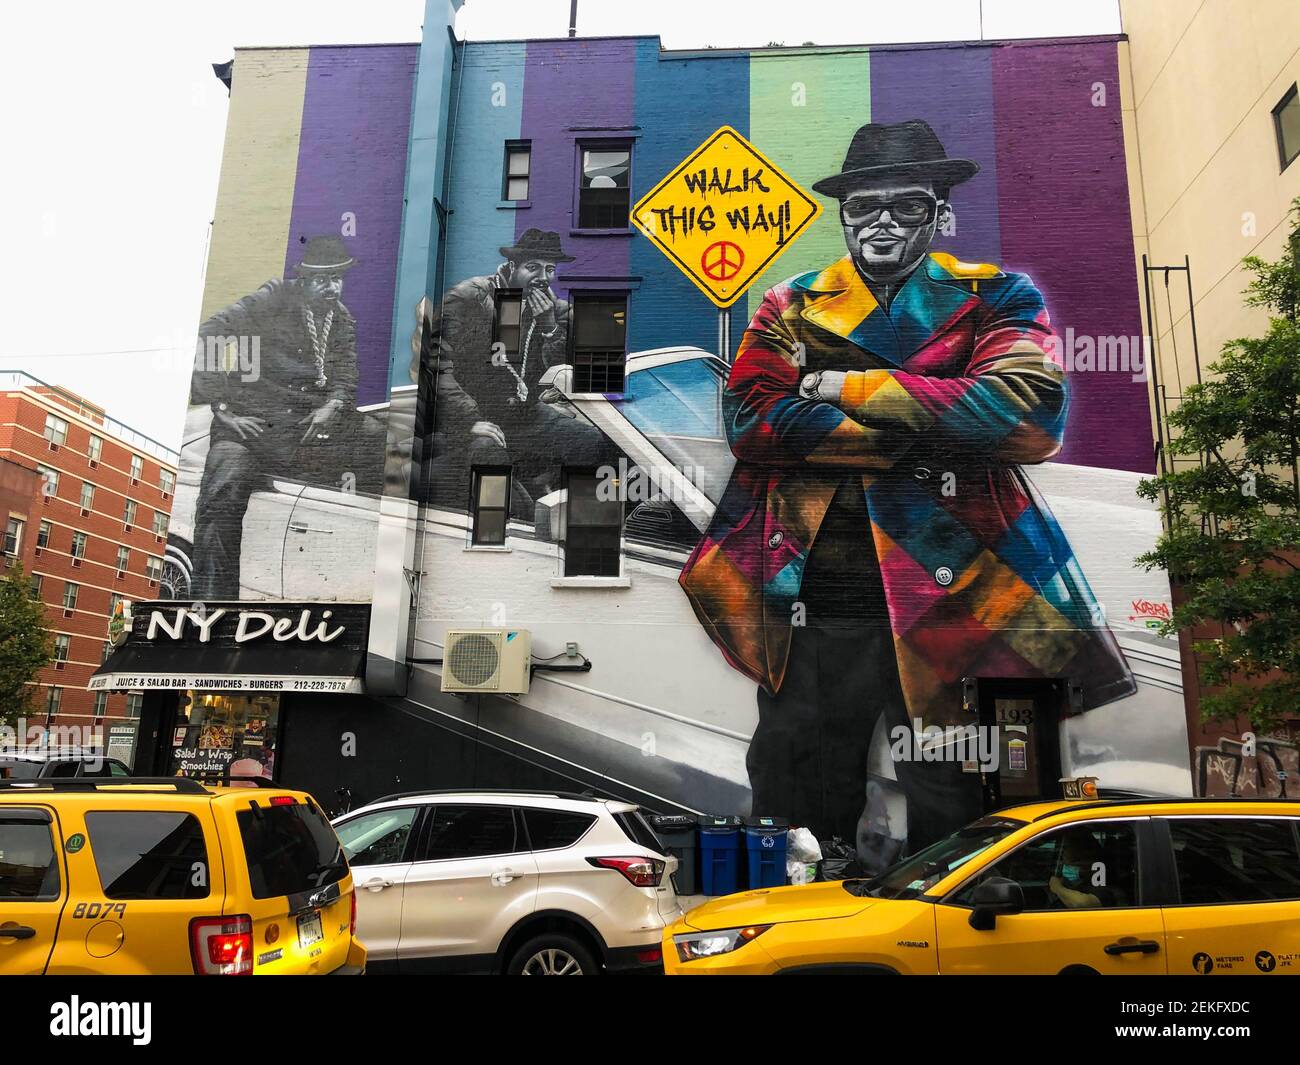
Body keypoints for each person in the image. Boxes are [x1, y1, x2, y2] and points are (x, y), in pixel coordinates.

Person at [679, 120, 1135, 860]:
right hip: (817, 594)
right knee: (797, 791)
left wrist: (838, 385)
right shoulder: (790, 302)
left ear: (941, 213)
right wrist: (935, 419)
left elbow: (1028, 415)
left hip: (970, 591)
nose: (882, 222)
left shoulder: (996, 295)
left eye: (908, 205)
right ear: (845, 214)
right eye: (864, 206)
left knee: (966, 799)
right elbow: (753, 420)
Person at [190, 235, 382, 599]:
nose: (332, 288)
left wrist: (333, 406)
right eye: (324, 280)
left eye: (338, 278)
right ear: (305, 279)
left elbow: (346, 376)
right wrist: (222, 406)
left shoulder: (341, 320)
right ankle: (211, 607)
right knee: (223, 490)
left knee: (381, 438)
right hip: (250, 427)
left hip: (303, 428)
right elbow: (212, 332)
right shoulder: (274, 298)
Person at [419, 229, 613, 520]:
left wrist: (549, 329)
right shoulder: (469, 298)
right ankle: (506, 533)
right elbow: (435, 365)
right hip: (472, 416)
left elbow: (581, 363)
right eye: (533, 268)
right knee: (489, 456)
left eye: (550, 270)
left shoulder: (551, 310)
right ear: (512, 267)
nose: (543, 277)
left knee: (592, 442)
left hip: (525, 415)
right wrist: (469, 420)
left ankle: (576, 523)